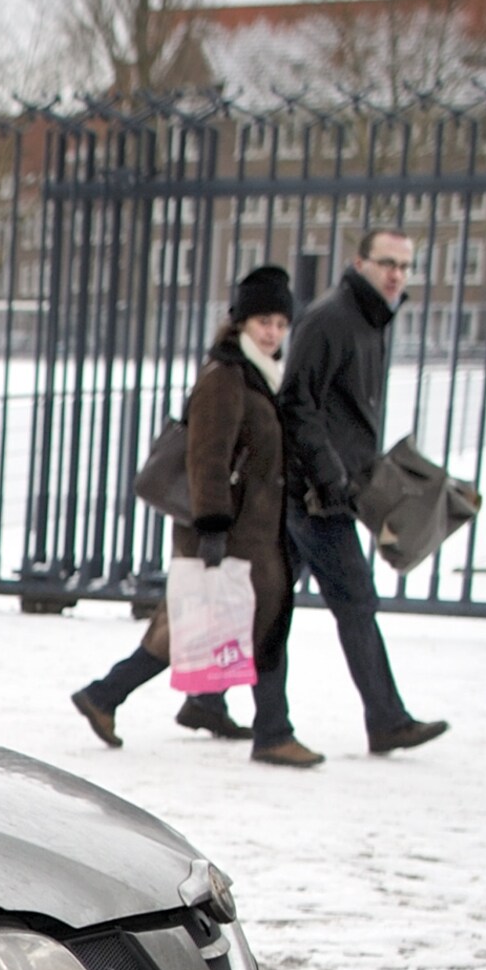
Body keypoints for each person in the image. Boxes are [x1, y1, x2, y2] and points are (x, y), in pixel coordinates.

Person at [72, 265, 310, 762]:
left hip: (254, 531)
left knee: (196, 628)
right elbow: (207, 456)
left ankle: (114, 696)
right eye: (263, 321)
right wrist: (213, 528)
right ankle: (273, 733)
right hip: (230, 530)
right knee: (260, 624)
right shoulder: (225, 378)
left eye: (280, 323)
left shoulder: (263, 377)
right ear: (241, 323)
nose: (272, 332)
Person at [276, 226, 447, 757]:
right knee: (355, 602)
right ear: (359, 262)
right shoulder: (332, 319)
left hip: (330, 490)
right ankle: (386, 719)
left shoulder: (370, 320)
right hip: (314, 494)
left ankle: (185, 699)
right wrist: (331, 478)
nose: (396, 274)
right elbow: (298, 403)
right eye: (386, 263)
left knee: (270, 607)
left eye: (404, 265)